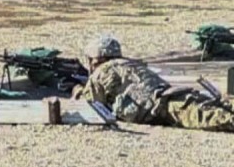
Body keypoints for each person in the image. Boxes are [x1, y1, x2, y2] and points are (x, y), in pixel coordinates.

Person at [72, 35, 234, 131]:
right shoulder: (130, 63)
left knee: (218, 119)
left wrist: (78, 91)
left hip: (165, 106)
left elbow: (92, 107)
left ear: (95, 59)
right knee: (221, 106)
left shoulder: (100, 72)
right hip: (174, 94)